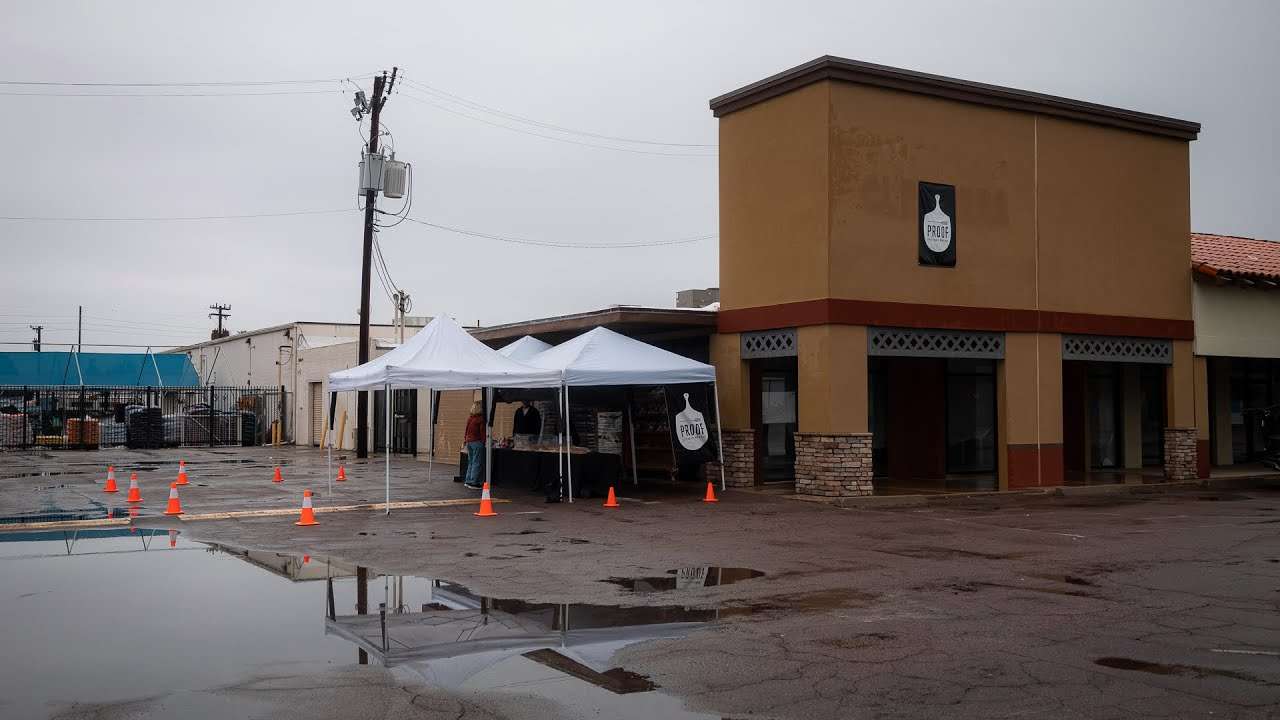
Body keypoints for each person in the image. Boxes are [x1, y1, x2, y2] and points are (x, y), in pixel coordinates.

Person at [463, 402, 486, 489]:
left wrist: (465, 439)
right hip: (477, 442)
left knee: (471, 462)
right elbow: (482, 432)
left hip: (469, 442)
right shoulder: (480, 419)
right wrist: (484, 442)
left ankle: (468, 480)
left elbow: (466, 430)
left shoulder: (470, 418)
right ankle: (474, 482)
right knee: (477, 462)